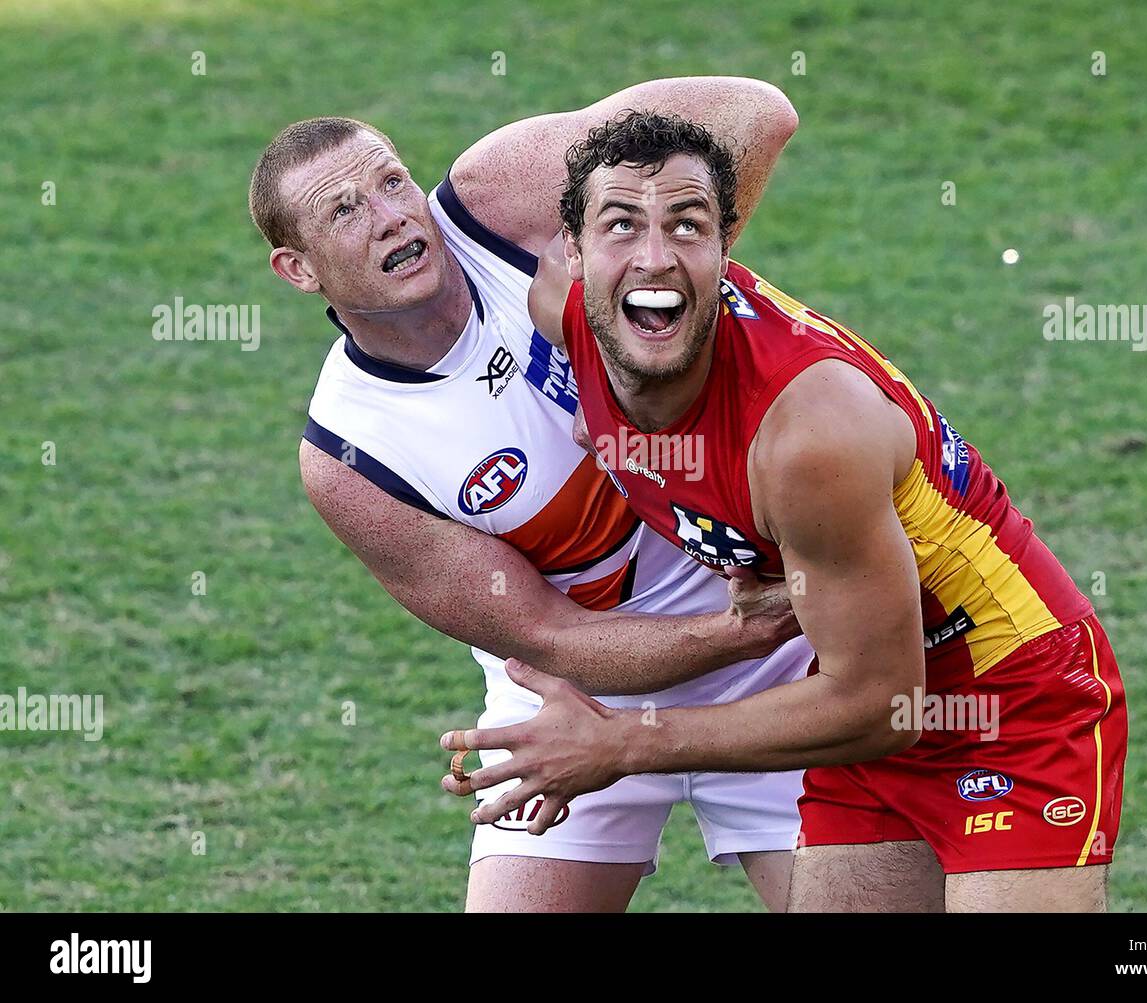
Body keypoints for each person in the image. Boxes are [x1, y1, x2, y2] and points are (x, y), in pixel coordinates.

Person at [443, 112, 1129, 912]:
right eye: (621, 224)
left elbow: (878, 703)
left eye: (687, 226)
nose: (653, 258)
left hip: (1010, 693)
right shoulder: (566, 314)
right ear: (571, 249)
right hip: (859, 684)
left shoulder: (808, 437)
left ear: (724, 249)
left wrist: (623, 743)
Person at [250, 81, 821, 912]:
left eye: (391, 181)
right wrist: (743, 626)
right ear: (297, 269)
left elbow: (758, 117)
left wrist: (666, 320)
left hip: (775, 657)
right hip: (575, 694)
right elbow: (546, 634)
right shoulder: (352, 454)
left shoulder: (495, 202)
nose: (392, 216)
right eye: (344, 211)